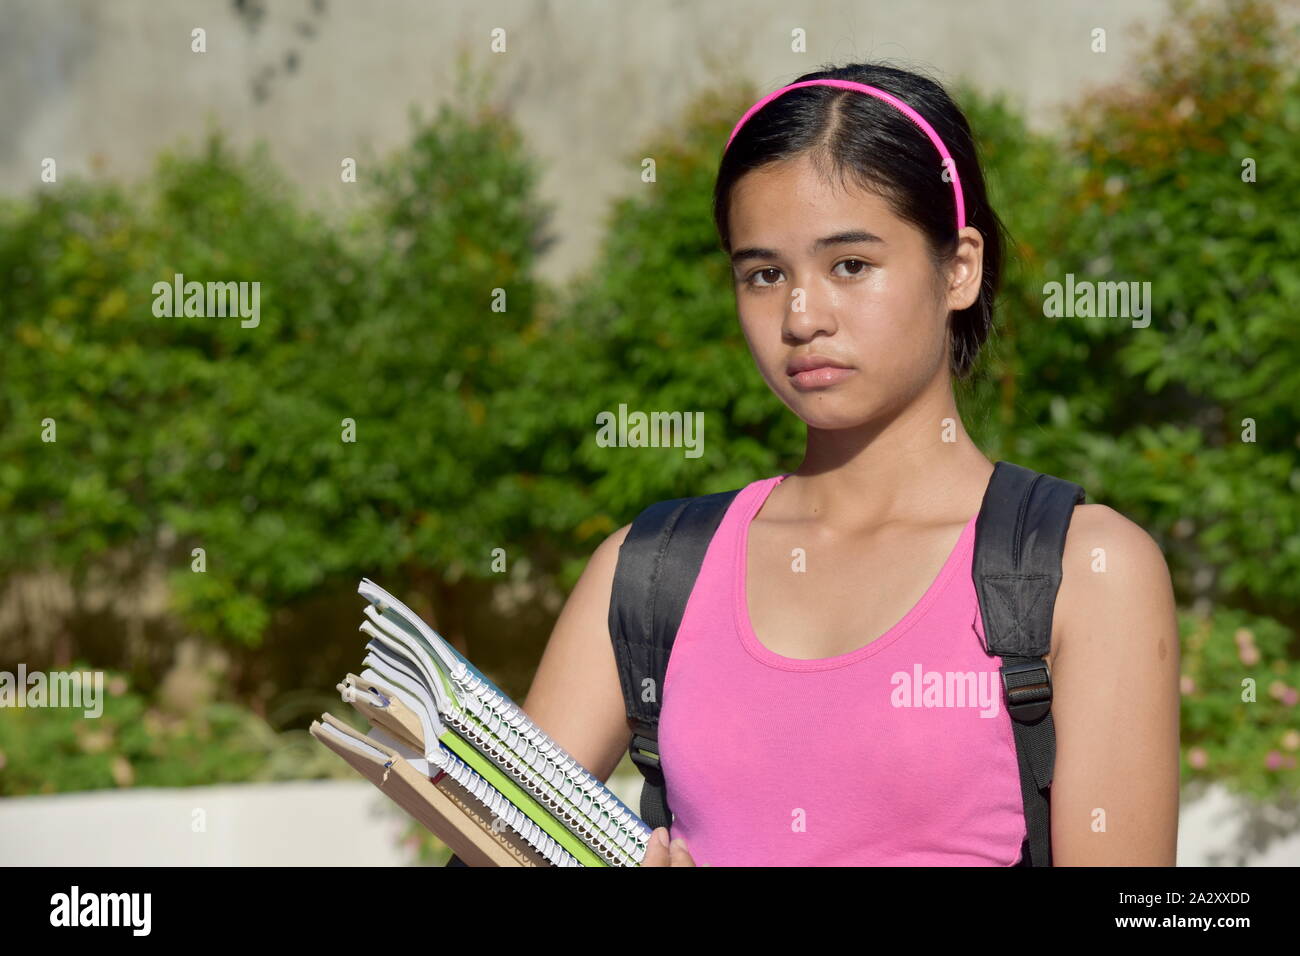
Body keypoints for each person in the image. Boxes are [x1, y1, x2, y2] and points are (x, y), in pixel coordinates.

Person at [520, 62, 1180, 866]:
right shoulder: (649, 573)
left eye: (850, 266)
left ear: (959, 268)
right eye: (765, 275)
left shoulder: (1085, 568)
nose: (802, 317)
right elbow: (494, 835)